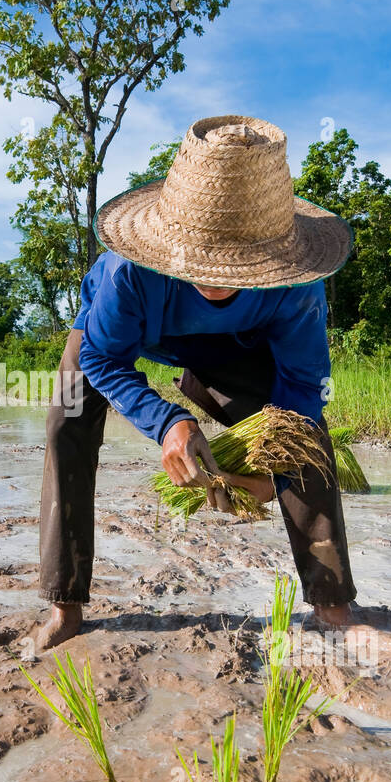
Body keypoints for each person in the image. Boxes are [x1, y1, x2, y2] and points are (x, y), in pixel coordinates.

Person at [36, 115, 359, 650]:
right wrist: (169, 422)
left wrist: (269, 468)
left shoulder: (296, 288)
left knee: (301, 436)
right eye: (206, 258)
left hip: (228, 341)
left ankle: (334, 605)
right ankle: (64, 601)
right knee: (65, 421)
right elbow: (102, 355)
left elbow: (303, 388)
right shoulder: (129, 273)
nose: (216, 277)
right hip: (116, 335)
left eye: (237, 263)